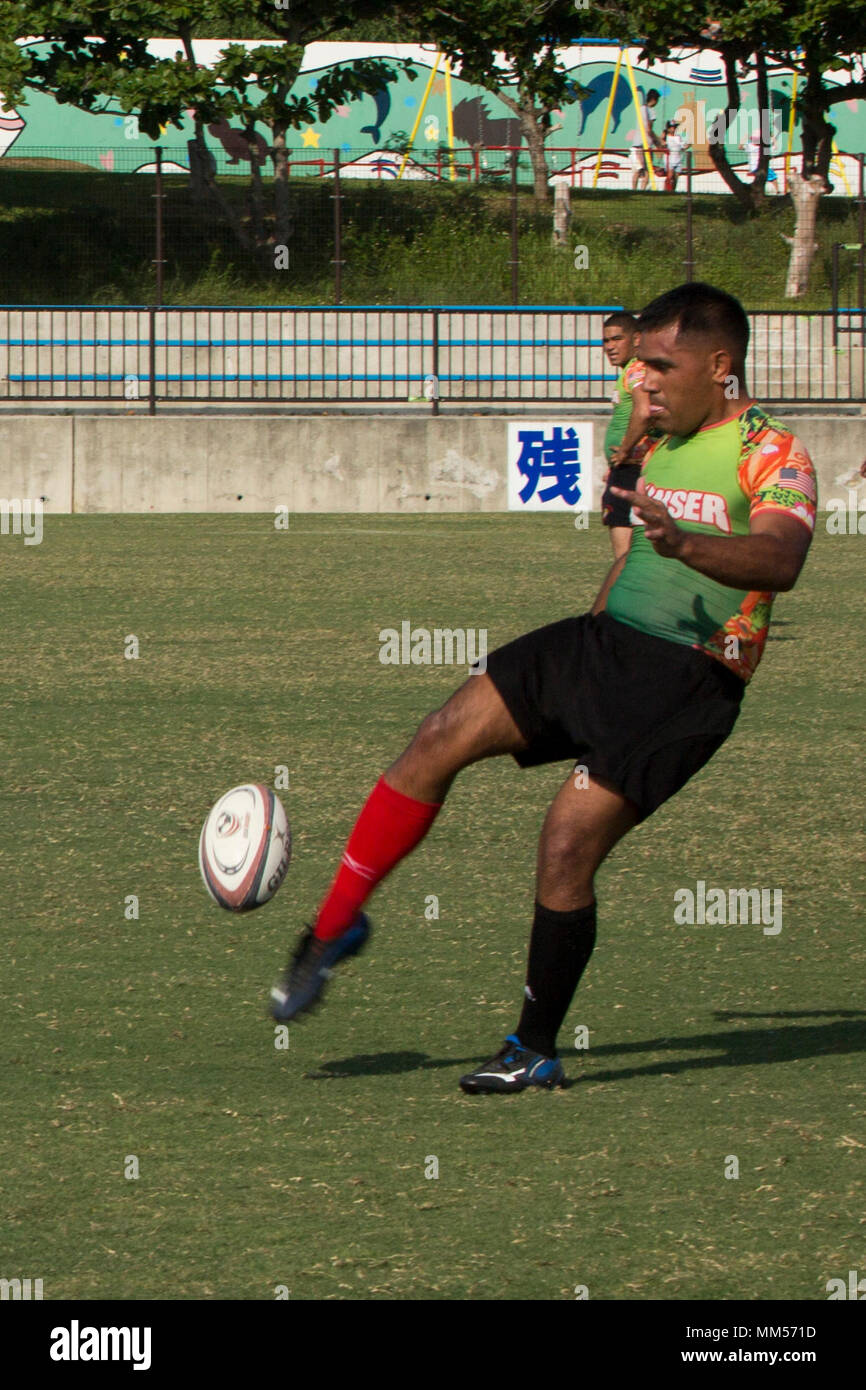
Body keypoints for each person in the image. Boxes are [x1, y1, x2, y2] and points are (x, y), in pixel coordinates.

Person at [270, 282, 817, 1096]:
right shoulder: (652, 436)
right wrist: (602, 605)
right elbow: (628, 549)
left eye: (661, 367)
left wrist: (685, 544)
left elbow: (781, 561)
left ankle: (534, 1047)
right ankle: (332, 928)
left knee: (565, 848)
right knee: (437, 736)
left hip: (688, 681)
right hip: (600, 644)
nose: (642, 381)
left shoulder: (775, 453)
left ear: (721, 366)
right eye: (638, 367)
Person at [600, 312, 653, 560]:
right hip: (626, 470)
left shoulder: (636, 371)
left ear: (636, 339)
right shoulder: (631, 371)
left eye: (617, 339)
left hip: (631, 470)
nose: (609, 347)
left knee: (624, 557)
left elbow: (643, 412)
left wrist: (623, 451)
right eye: (606, 341)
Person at [631, 89, 664, 190]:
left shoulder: (641, 108)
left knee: (637, 169)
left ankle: (633, 190)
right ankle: (643, 190)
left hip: (636, 143)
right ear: (654, 99)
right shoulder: (651, 111)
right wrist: (658, 141)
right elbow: (649, 130)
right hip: (646, 144)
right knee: (647, 171)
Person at [663, 118, 688, 191]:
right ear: (668, 128)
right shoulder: (666, 137)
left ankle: (673, 191)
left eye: (675, 127)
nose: (673, 129)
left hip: (678, 159)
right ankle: (665, 190)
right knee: (670, 176)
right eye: (672, 127)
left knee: (676, 177)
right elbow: (662, 144)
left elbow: (683, 147)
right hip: (669, 159)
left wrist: (690, 143)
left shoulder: (678, 137)